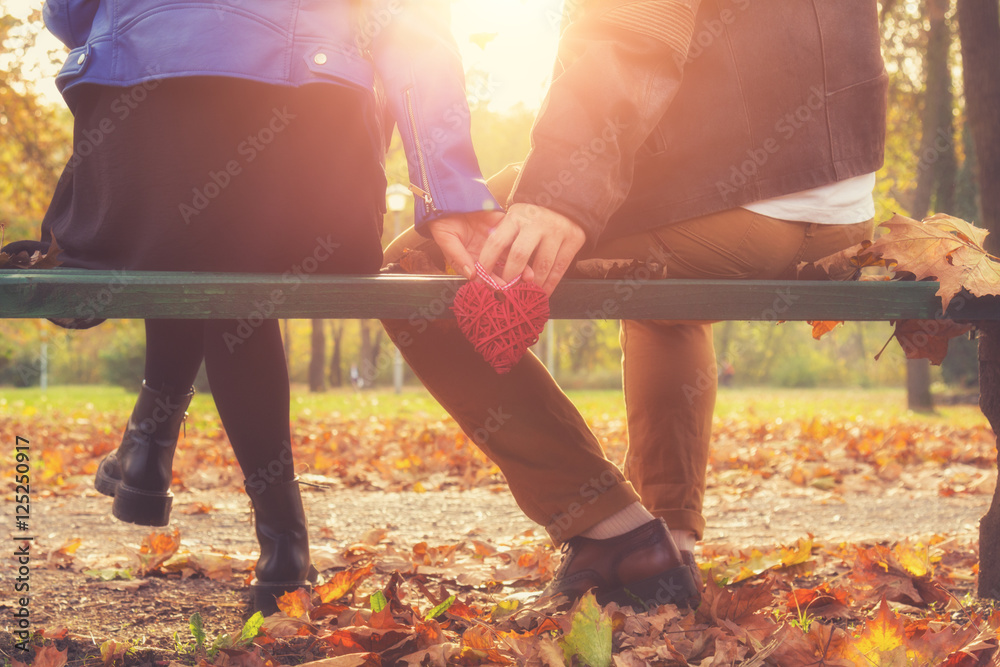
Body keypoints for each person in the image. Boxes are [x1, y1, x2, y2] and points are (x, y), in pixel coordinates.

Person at [381, 0, 886, 609]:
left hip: (728, 202)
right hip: (841, 209)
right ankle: (668, 548)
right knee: (660, 302)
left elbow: (633, 30)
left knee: (414, 264)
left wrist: (561, 193)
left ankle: (609, 527)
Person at [30, 0, 500, 615]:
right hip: (308, 163)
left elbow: (67, 12)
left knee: (187, 225)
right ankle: (280, 548)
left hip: (132, 159)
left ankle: (153, 442)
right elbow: (412, 34)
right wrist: (448, 194)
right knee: (233, 242)